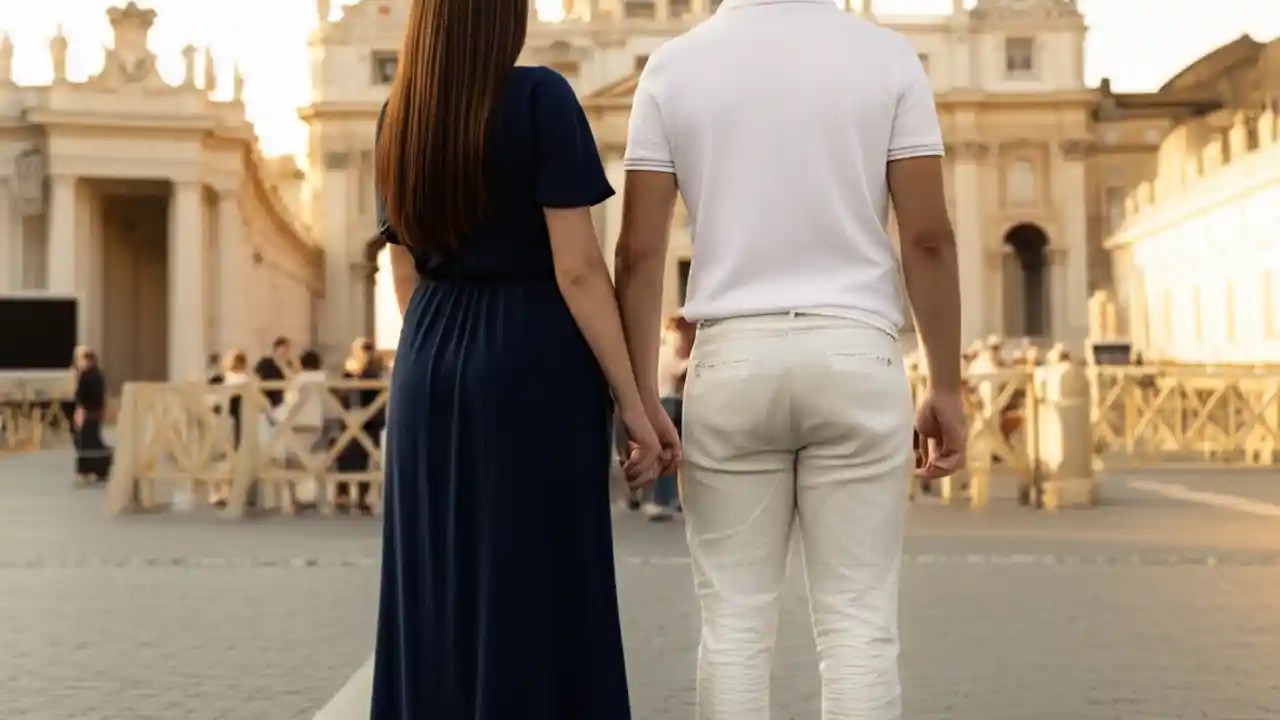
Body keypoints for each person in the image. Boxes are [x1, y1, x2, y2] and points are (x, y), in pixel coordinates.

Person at [613, 1, 967, 717]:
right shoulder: (888, 57)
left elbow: (639, 252)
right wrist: (947, 383)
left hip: (731, 358)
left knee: (734, 625)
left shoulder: (673, 67)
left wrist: (642, 397)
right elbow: (927, 238)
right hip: (856, 351)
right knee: (859, 625)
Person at [369, 1, 663, 717]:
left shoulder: (397, 117)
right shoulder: (540, 97)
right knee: (535, 577)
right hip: (531, 355)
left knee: (436, 577)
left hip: (427, 356)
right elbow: (579, 270)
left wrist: (443, 351)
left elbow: (403, 270)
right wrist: (633, 400)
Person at [641, 315, 691, 521]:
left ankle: (657, 498)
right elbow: (674, 369)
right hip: (667, 398)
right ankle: (663, 499)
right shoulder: (673, 339)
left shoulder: (657, 336)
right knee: (670, 451)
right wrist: (690, 363)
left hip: (653, 397)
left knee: (658, 449)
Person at [335, 337, 385, 515]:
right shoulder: (351, 369)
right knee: (344, 455)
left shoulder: (374, 371)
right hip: (350, 418)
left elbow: (375, 393)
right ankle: (343, 494)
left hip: (369, 420)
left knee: (364, 458)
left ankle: (361, 498)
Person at [71, 347, 112, 485]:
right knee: (92, 440)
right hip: (95, 413)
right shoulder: (97, 374)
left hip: (89, 413)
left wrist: (80, 411)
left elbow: (81, 396)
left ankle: (87, 470)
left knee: (86, 442)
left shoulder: (87, 375)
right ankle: (101, 469)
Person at [253, 336, 292, 409]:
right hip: (268, 394)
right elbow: (257, 374)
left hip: (281, 395)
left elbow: (290, 377)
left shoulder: (288, 363)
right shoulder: (265, 362)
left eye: (287, 348)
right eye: (284, 347)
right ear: (277, 347)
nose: (286, 350)